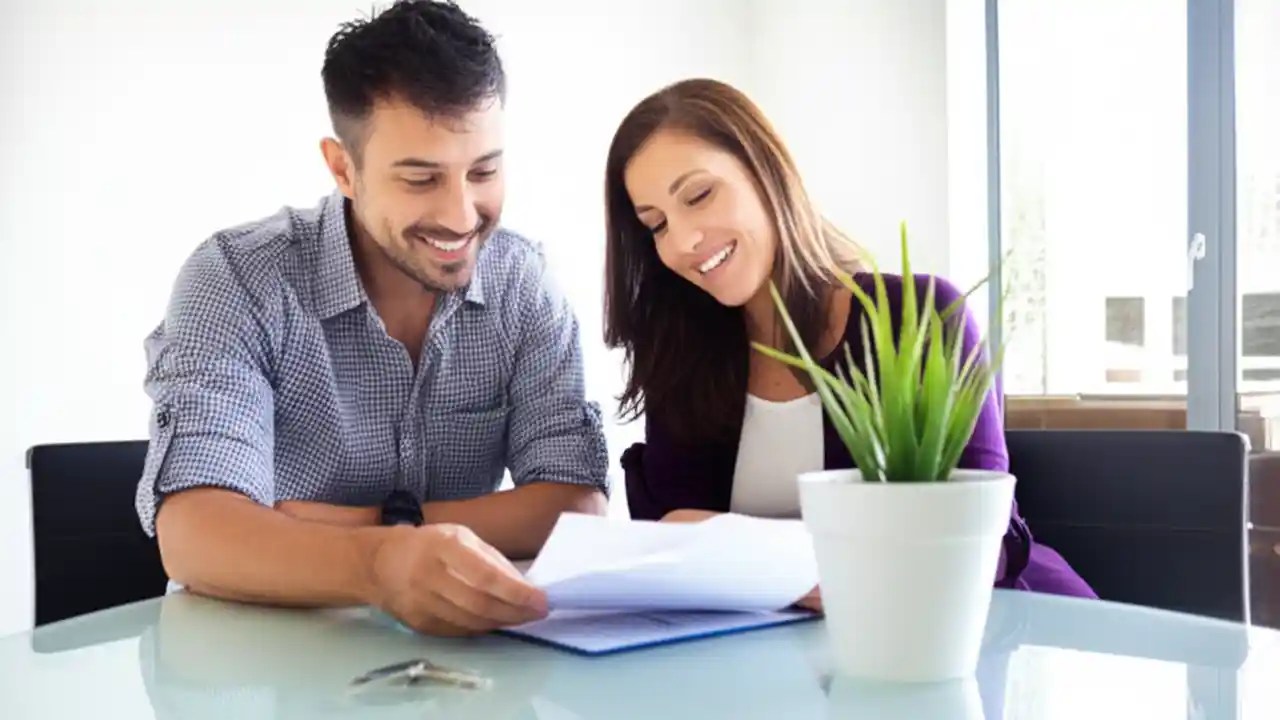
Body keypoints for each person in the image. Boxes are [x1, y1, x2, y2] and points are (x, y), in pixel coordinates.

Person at [134, 0, 609, 638]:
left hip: (465, 669)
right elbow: (195, 535)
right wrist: (382, 565)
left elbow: (575, 506)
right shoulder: (237, 280)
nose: (463, 215)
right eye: (421, 179)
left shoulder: (522, 284)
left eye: (484, 171)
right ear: (343, 169)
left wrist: (372, 524)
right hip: (264, 660)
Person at [602, 77, 1095, 602]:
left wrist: (759, 563)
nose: (681, 242)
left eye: (699, 195)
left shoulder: (923, 318)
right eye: (655, 225)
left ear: (766, 172)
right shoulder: (683, 355)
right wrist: (846, 565)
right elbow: (676, 541)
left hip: (976, 635)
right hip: (777, 658)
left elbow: (971, 545)